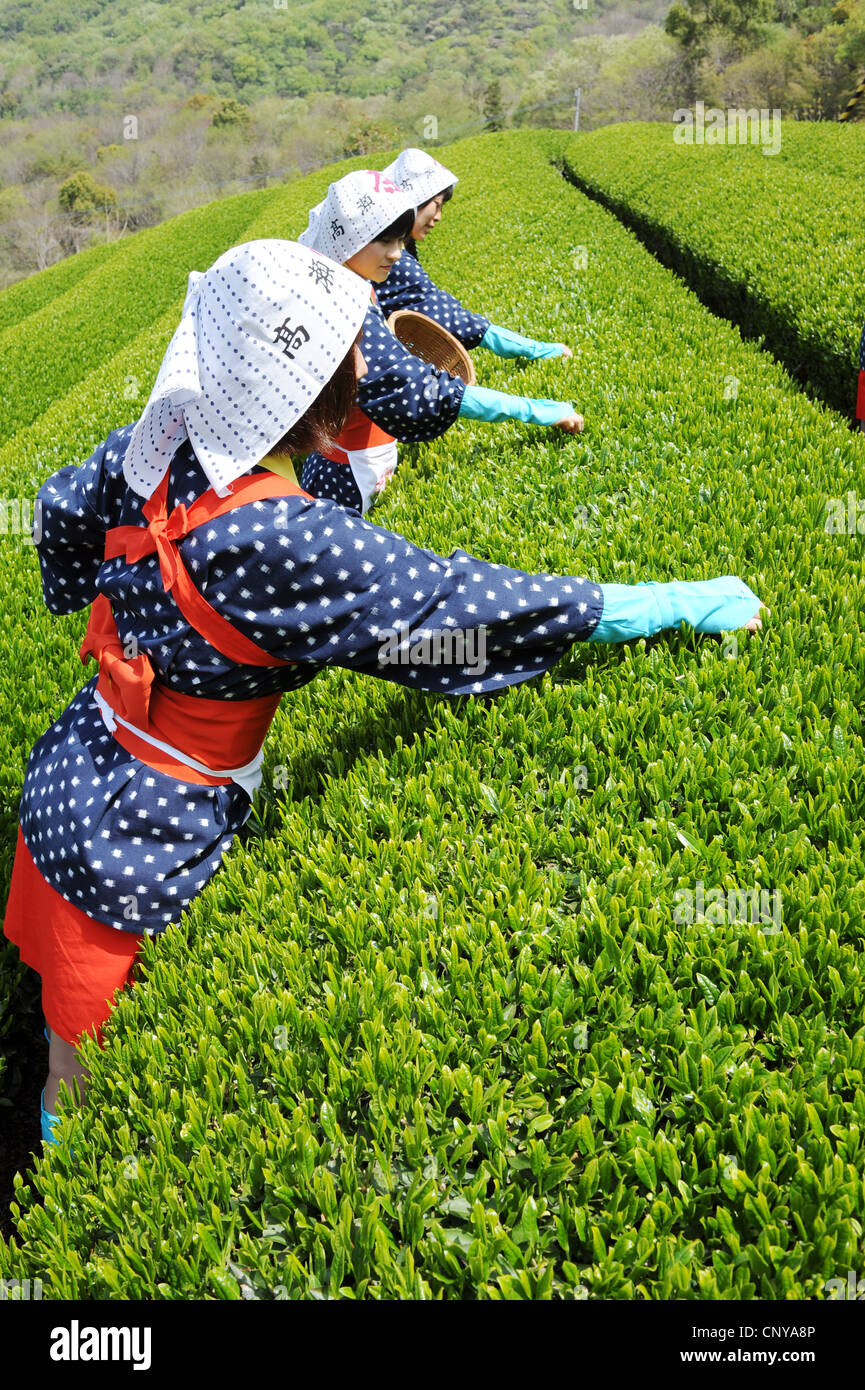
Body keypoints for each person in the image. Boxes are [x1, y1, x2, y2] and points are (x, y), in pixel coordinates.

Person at [1, 238, 765, 1151]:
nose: (371, 355)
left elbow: (58, 512)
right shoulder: (282, 537)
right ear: (314, 386)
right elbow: (459, 607)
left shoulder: (152, 447)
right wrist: (657, 607)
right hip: (147, 824)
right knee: (90, 1072)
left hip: (73, 765)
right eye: (355, 344)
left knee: (61, 1032)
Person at [296, 170, 585, 515]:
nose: (397, 254)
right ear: (348, 241)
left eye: (400, 241)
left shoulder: (349, 284)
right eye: (384, 241)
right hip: (350, 473)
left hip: (355, 456)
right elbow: (430, 390)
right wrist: (542, 411)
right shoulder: (346, 309)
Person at [377, 147, 574, 365]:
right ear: (415, 200)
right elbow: (449, 316)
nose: (439, 217)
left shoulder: (388, 249)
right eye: (437, 205)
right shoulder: (393, 261)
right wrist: (536, 350)